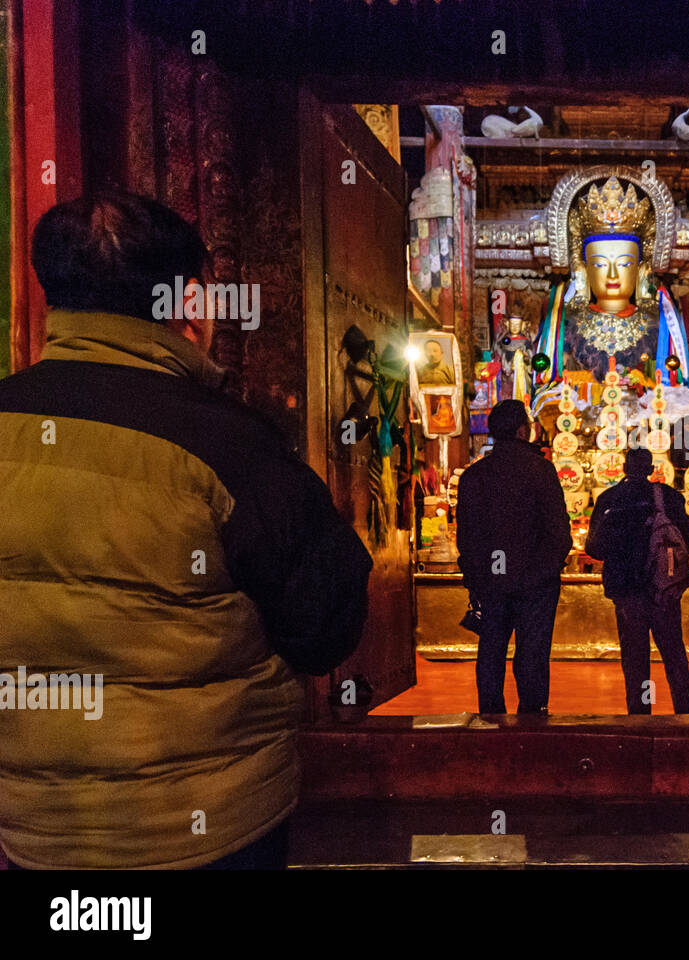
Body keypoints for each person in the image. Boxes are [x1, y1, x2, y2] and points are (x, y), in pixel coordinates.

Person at [0, 191, 373, 870]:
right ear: (192, 305)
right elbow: (326, 626)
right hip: (207, 824)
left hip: (34, 825)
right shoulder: (230, 446)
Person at [455, 399, 572, 714]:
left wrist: (476, 578)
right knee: (532, 654)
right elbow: (559, 532)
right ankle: (532, 719)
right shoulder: (541, 470)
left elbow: (466, 537)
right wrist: (545, 569)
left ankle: (491, 718)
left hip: (491, 583)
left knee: (491, 651)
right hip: (536, 582)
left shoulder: (474, 477)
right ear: (524, 431)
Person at [585, 447, 689, 714]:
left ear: (624, 469)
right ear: (650, 470)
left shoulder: (609, 500)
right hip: (663, 590)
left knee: (636, 661)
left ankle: (640, 716)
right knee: (674, 655)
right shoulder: (668, 498)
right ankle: (686, 714)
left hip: (627, 594)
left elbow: (594, 549)